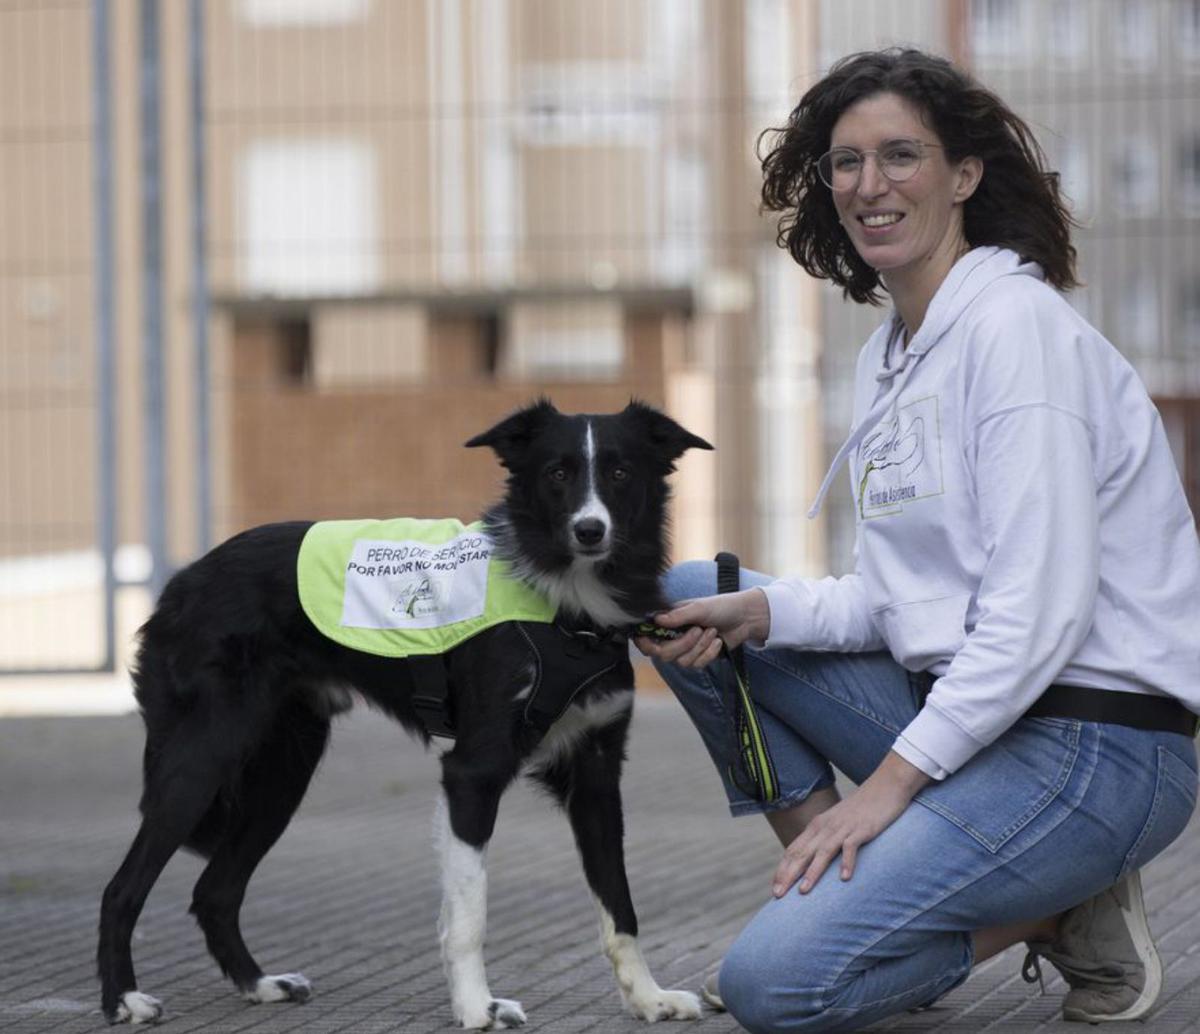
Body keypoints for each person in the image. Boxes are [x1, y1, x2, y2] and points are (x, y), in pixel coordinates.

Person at [638, 47, 1200, 1033]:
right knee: (688, 592)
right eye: (845, 163)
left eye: (900, 155)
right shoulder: (891, 354)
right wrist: (761, 608)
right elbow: (891, 598)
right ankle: (871, 907)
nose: (869, 185)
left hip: (1099, 743)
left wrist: (885, 794)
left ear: (965, 174)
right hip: (985, 719)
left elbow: (1037, 616)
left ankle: (1047, 907)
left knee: (775, 986)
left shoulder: (1015, 335)